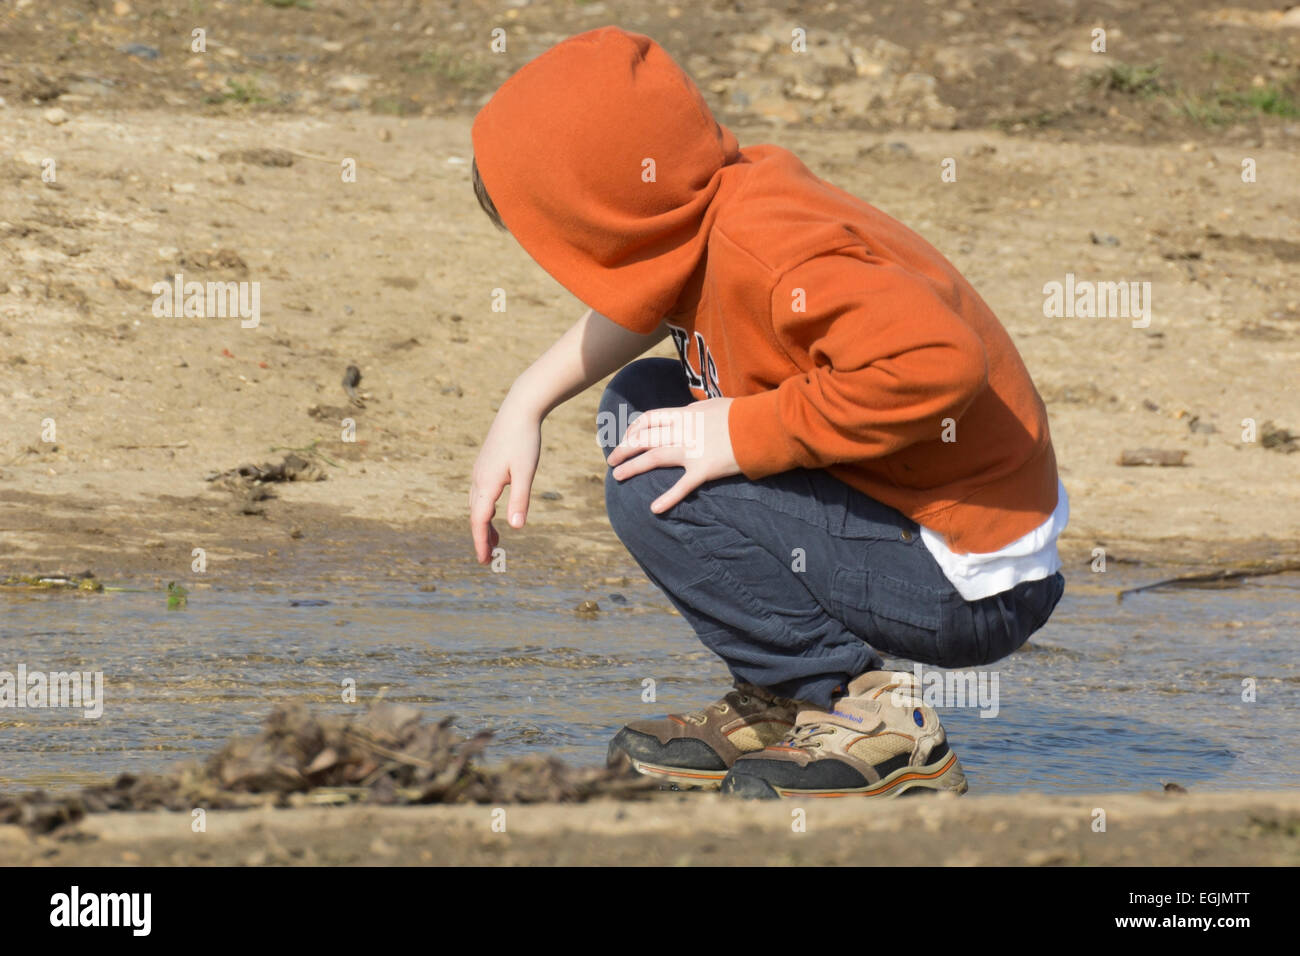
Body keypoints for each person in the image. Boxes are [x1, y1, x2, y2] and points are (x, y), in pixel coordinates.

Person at [468, 27, 1067, 798]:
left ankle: (861, 710)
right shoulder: (712, 204)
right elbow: (652, 299)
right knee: (641, 406)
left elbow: (938, 365)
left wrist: (738, 433)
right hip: (908, 519)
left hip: (968, 580)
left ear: (603, 209)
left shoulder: (774, 248)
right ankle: (789, 699)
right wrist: (526, 403)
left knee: (648, 472)